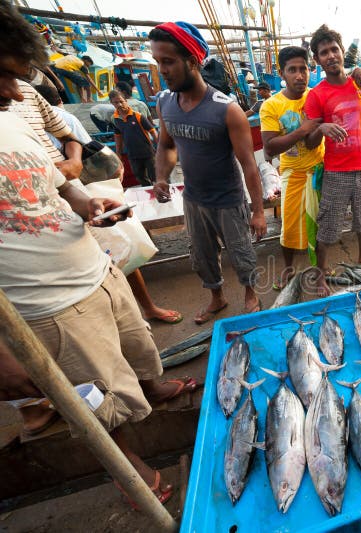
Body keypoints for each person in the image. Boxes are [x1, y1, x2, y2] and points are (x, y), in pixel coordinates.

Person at [0, 0, 195, 505]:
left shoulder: (15, 109)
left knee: (137, 348)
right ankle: (128, 466)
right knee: (95, 396)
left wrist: (86, 202)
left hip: (95, 267)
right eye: (1, 77)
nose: (13, 92)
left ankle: (151, 388)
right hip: (47, 304)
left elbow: (56, 179)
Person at [33, 82, 181, 326]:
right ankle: (124, 315)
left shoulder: (60, 118)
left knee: (116, 251)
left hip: (78, 194)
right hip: (56, 204)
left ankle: (143, 309)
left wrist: (74, 163)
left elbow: (85, 148)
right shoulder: (60, 118)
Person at [149, 21, 266, 323]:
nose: (162, 70)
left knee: (241, 252)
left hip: (228, 200)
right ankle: (217, 298)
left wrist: (258, 211)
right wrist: (161, 177)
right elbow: (166, 145)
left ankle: (251, 293)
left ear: (192, 61)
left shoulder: (227, 109)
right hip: (193, 199)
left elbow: (248, 164)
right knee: (201, 255)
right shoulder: (165, 103)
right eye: (158, 61)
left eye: (168, 61)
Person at [303, 25, 361, 296]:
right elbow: (309, 142)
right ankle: (320, 273)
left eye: (334, 49)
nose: (331, 56)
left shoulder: (360, 84)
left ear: (343, 52)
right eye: (324, 53)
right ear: (317, 59)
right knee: (329, 224)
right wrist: (321, 129)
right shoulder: (317, 95)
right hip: (336, 171)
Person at [260, 46, 325, 290]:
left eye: (303, 69)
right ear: (282, 73)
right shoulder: (271, 105)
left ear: (310, 70)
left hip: (320, 170)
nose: (299, 75)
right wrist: (302, 129)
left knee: (320, 224)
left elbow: (314, 140)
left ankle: (320, 268)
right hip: (292, 173)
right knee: (288, 226)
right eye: (292, 70)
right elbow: (269, 148)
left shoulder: (316, 97)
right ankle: (288, 269)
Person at [110, 89, 158, 187]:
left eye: (121, 101)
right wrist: (118, 155)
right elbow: (118, 138)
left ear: (125, 101)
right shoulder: (115, 119)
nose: (119, 104)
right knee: (140, 177)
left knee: (155, 177)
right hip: (132, 155)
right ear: (112, 103)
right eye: (116, 102)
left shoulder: (138, 116)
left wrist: (160, 148)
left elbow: (153, 131)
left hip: (148, 153)